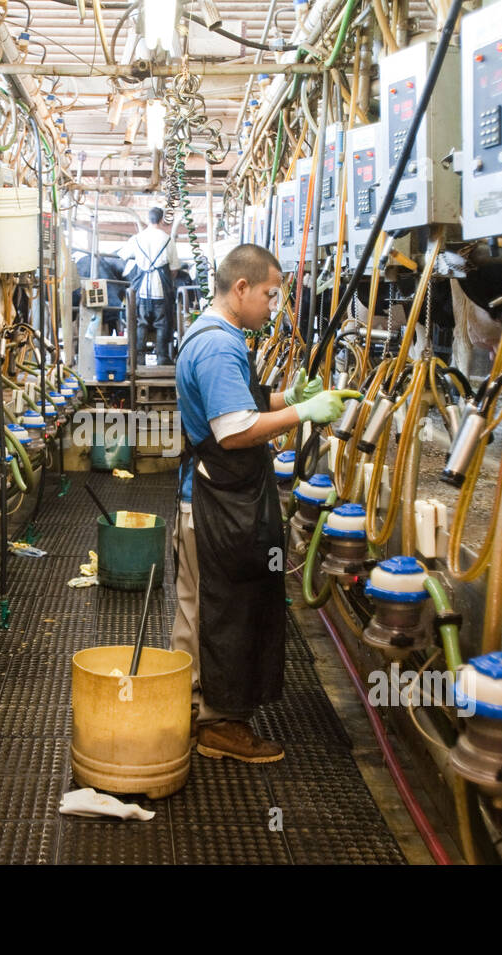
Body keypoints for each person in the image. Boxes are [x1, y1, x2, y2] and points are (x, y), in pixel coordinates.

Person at [172, 243, 345, 762]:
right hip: (214, 503)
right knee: (216, 614)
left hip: (218, 500)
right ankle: (213, 723)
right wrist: (305, 413)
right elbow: (235, 429)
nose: (275, 306)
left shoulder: (215, 334)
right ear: (241, 288)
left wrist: (287, 398)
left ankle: (199, 710)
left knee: (213, 609)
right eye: (271, 295)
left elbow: (240, 402)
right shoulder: (220, 347)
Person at [120, 207, 181, 365]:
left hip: (141, 290)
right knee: (162, 322)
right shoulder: (167, 240)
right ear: (162, 220)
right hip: (160, 290)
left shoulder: (137, 238)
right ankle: (162, 357)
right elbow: (174, 269)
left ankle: (138, 357)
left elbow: (123, 255)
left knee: (141, 322)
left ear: (148, 219)